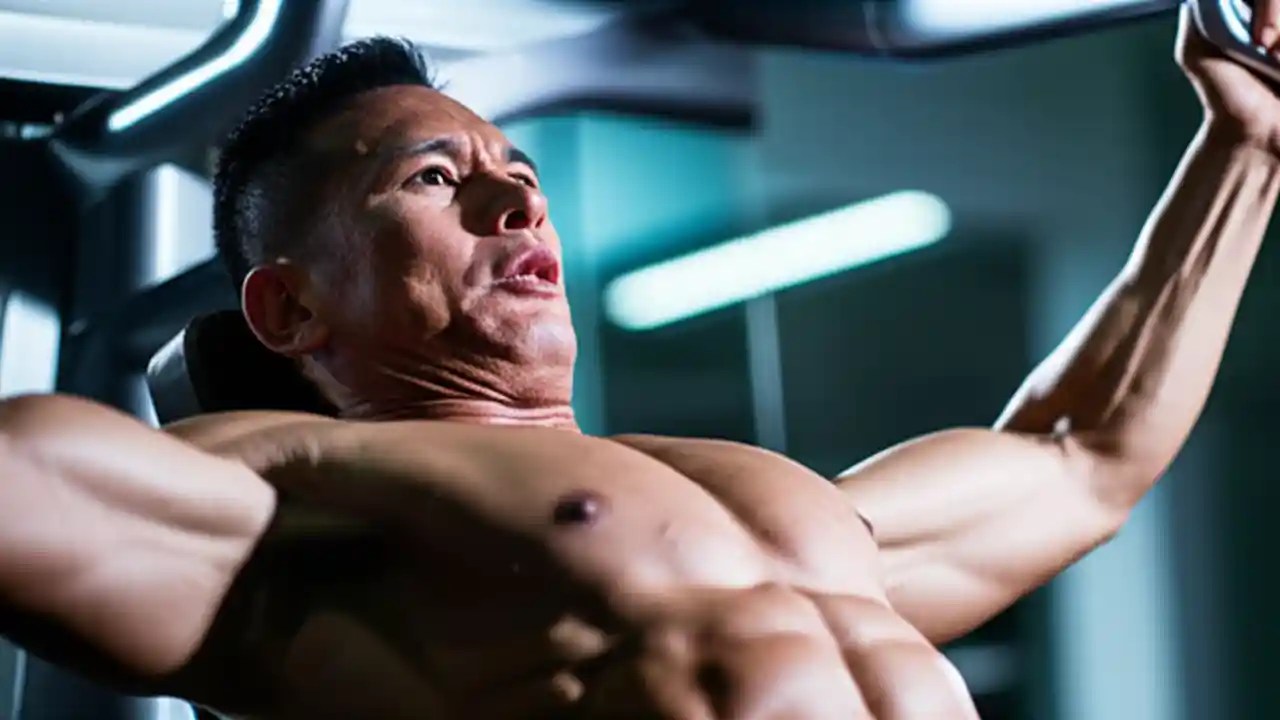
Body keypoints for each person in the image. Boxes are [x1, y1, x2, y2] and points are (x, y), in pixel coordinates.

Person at [3, 5, 1279, 718]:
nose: (514, 206)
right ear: (286, 313)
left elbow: (1081, 459)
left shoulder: (779, 514)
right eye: (436, 180)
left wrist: (1246, 145)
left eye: (521, 174)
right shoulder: (296, 500)